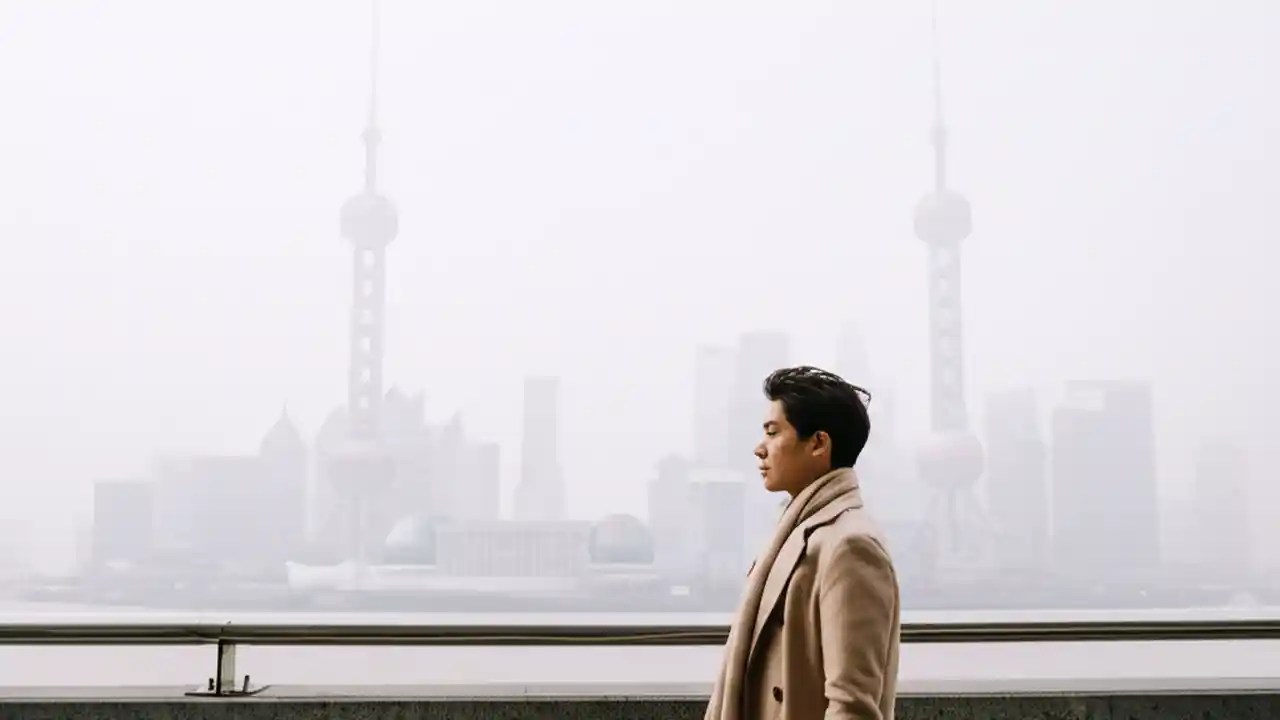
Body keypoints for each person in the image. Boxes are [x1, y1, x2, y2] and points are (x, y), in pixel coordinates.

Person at [706, 366, 900, 720]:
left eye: (773, 432)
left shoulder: (851, 546)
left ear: (818, 444)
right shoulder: (796, 531)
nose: (759, 449)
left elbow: (852, 706)